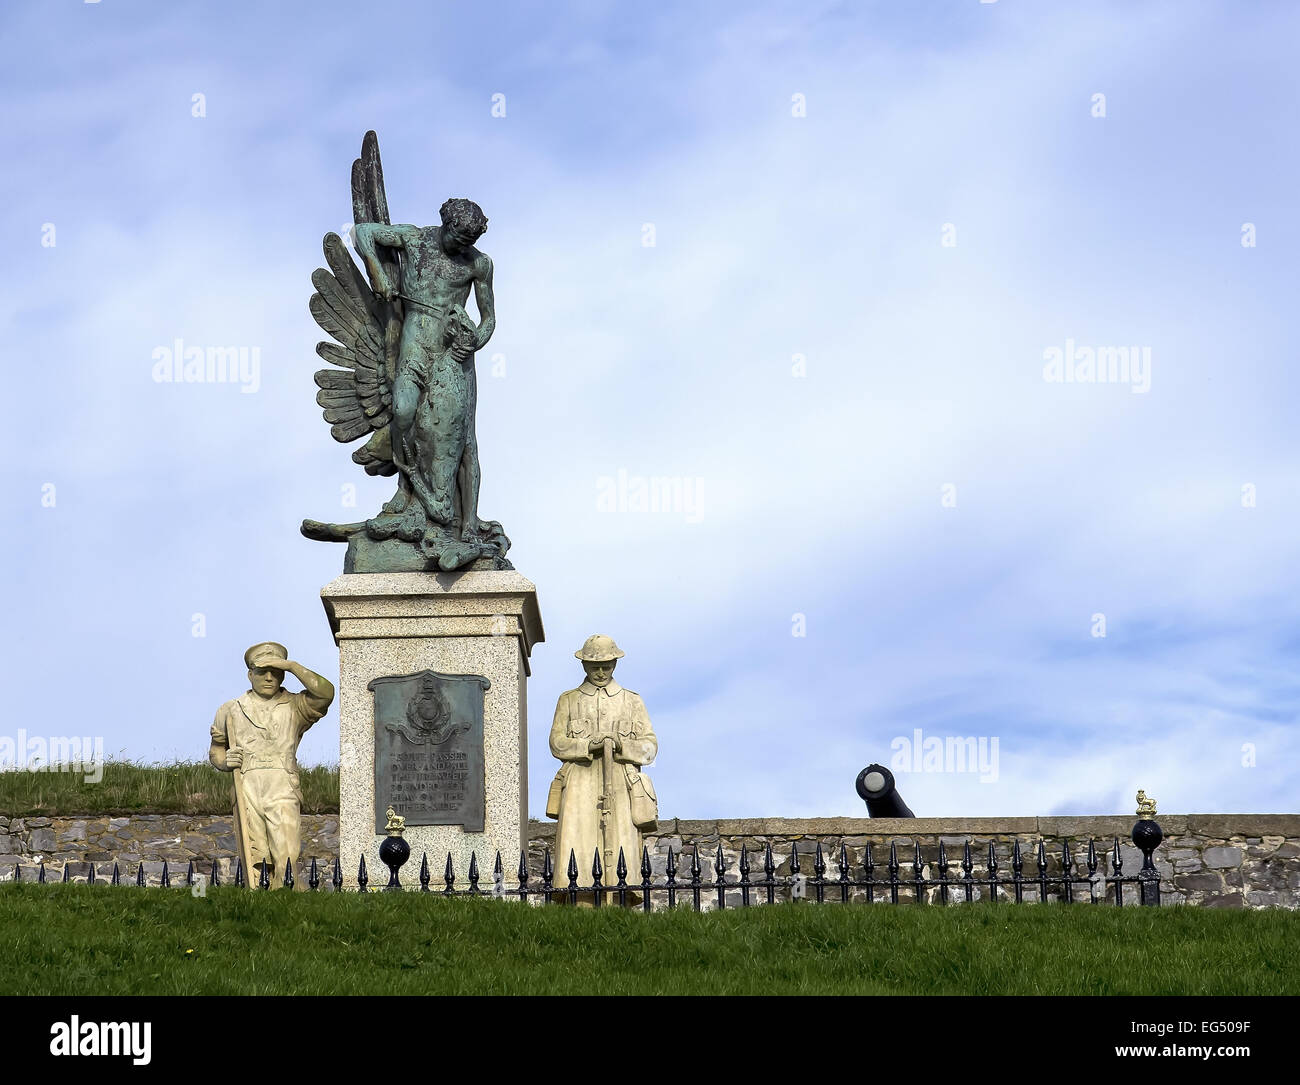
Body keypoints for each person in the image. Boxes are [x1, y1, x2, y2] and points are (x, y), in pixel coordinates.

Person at [208, 642, 335, 886]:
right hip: (247, 782)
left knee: (286, 849)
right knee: (255, 854)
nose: (269, 677)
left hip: (282, 782)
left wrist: (292, 665)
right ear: (250, 675)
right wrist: (225, 761)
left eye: (276, 672)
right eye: (262, 671)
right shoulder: (230, 709)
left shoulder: (296, 705)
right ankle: (260, 901)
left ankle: (287, 893)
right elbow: (216, 750)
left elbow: (325, 693)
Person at [548, 635, 658, 893]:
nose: (600, 672)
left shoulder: (632, 701)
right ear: (583, 665)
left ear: (615, 664)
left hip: (621, 783)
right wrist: (587, 746)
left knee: (622, 845)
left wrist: (622, 745)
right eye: (594, 666)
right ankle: (577, 899)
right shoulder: (568, 700)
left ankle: (622, 899)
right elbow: (556, 743)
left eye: (606, 666)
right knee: (577, 842)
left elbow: (650, 747)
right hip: (579, 782)